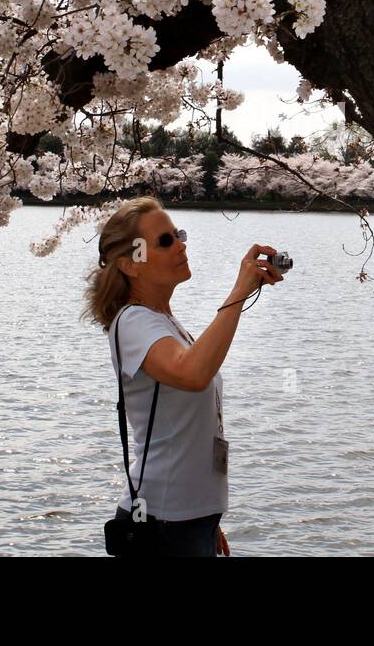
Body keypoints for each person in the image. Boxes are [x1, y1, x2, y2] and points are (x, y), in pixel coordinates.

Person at [84, 195, 284, 556]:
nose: (180, 245)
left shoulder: (165, 324)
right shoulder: (132, 322)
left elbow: (187, 422)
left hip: (187, 520)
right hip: (161, 523)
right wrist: (239, 292)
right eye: (165, 241)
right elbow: (192, 374)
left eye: (179, 235)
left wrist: (205, 518)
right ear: (131, 264)